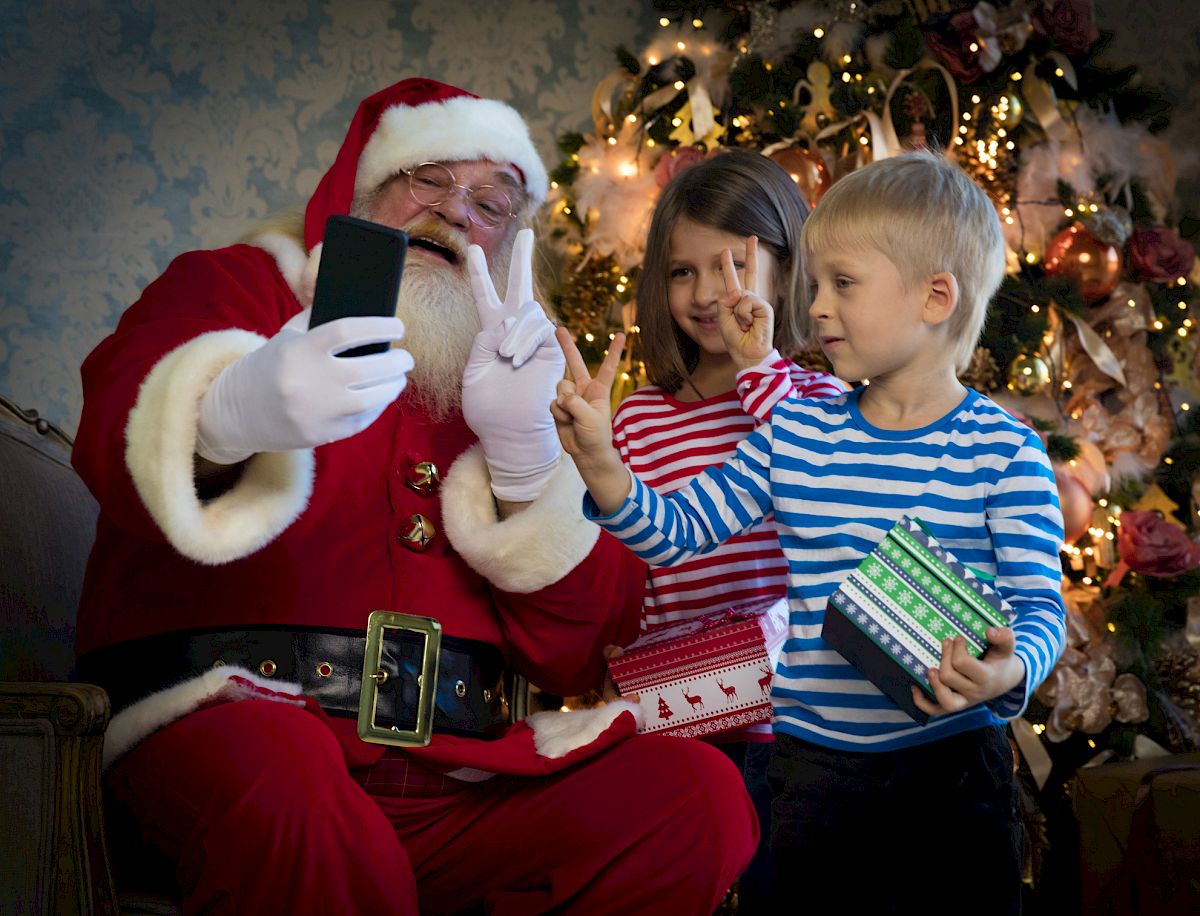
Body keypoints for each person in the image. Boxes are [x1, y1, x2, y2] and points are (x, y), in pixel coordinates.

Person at [70, 77, 756, 914]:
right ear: (360, 190)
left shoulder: (516, 371)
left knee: (692, 800)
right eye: (428, 178)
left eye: (492, 202)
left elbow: (581, 654)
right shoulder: (239, 285)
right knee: (294, 799)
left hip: (463, 778)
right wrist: (227, 410)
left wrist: (529, 463)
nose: (456, 211)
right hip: (239, 731)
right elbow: (111, 433)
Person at [553, 149, 1066, 914]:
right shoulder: (795, 430)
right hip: (813, 776)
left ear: (934, 297)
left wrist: (1007, 674)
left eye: (843, 285)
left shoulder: (1005, 452)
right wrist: (603, 468)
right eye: (815, 285)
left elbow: (1041, 611)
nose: (816, 308)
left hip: (954, 770)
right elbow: (679, 531)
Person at [609, 149, 845, 912]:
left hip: (796, 728)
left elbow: (829, 495)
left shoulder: (812, 395)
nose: (710, 294)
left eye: (734, 265)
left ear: (785, 267)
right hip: (680, 714)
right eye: (684, 272)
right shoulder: (641, 417)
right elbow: (626, 563)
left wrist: (759, 370)